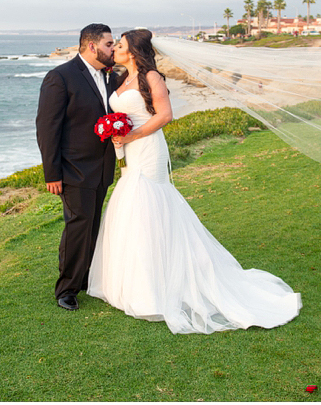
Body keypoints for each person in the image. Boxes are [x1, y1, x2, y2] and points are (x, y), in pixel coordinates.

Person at [87, 29, 301, 334]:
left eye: (120, 45)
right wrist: (117, 134)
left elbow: (165, 115)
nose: (116, 50)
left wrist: (131, 134)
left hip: (147, 149)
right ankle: (135, 284)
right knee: (132, 205)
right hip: (129, 150)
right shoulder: (122, 79)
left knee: (148, 203)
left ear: (133, 51)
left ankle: (157, 288)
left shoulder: (152, 78)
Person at [36, 23, 119, 311]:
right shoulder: (60, 77)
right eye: (109, 44)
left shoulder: (111, 77)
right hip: (73, 169)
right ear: (92, 46)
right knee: (79, 225)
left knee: (92, 224)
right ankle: (67, 289)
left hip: (102, 166)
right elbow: (47, 129)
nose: (114, 48)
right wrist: (52, 174)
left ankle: (85, 278)